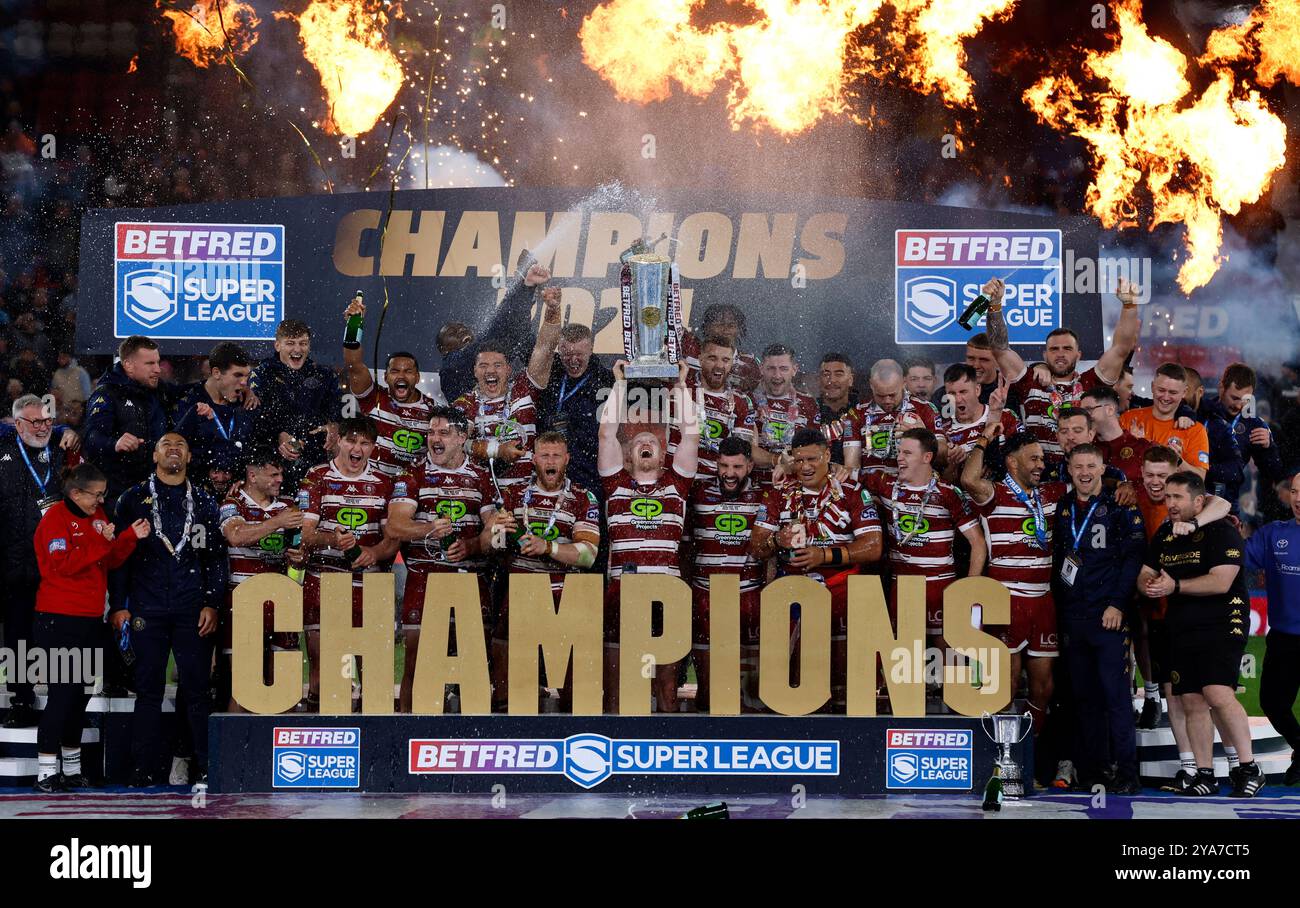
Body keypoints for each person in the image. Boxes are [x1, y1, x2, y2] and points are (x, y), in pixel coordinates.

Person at [109, 433, 226, 786]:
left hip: (192, 607)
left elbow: (216, 558)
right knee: (148, 691)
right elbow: (120, 557)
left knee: (197, 690)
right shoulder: (132, 499)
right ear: (154, 455)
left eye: (180, 445)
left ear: (190, 456)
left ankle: (205, 766)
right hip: (148, 606)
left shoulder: (204, 502)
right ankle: (142, 769)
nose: (173, 448)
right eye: (165, 444)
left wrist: (212, 602)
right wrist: (118, 605)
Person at [1138, 471, 1264, 797]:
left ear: (1198, 501)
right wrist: (1149, 586)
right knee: (1191, 700)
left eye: (1177, 497)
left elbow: (1221, 581)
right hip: (1181, 625)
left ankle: (1249, 768)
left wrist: (1175, 585)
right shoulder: (1166, 533)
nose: (1171, 504)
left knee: (1218, 694)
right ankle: (1205, 774)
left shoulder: (1223, 530)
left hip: (1223, 622)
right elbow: (1146, 573)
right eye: (1167, 497)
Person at [32, 464, 149, 792]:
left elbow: (108, 560)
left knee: (80, 695)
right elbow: (64, 564)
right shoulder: (54, 520)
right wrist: (100, 540)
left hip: (88, 620)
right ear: (75, 493)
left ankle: (71, 768)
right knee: (62, 695)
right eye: (95, 495)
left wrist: (127, 538)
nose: (101, 501)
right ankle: (45, 770)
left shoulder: (96, 517)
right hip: (58, 620)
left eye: (103, 495)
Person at [751, 428, 883, 711]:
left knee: (851, 671)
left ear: (827, 455)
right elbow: (757, 547)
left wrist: (823, 556)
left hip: (842, 590)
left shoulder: (852, 491)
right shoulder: (777, 493)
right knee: (792, 673)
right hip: (793, 594)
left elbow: (873, 546)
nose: (806, 467)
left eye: (812, 459)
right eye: (799, 460)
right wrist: (776, 540)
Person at [597, 360, 699, 714]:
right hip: (622, 591)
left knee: (667, 688)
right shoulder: (615, 484)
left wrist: (682, 387)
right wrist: (620, 384)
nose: (646, 443)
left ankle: (668, 755)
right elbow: (607, 434)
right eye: (639, 441)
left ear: (661, 454)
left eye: (653, 441)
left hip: (665, 593)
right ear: (627, 456)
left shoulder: (677, 483)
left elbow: (691, 435)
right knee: (617, 686)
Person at [385, 407, 496, 712]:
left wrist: (472, 545)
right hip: (425, 580)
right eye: (432, 432)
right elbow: (395, 525)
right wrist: (428, 529)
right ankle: (405, 732)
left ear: (462, 437)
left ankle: (472, 740)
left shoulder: (481, 476)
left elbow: (495, 530)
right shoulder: (412, 475)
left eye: (444, 432)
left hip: (471, 582)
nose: (435, 438)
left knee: (474, 665)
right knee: (416, 662)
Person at [480, 431, 601, 710]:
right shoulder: (512, 494)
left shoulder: (583, 498)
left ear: (567, 459)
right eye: (544, 455)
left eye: (556, 455)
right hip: (520, 598)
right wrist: (497, 534)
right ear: (534, 459)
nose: (550, 460)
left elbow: (588, 555)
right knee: (509, 699)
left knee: (577, 701)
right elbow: (488, 546)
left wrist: (548, 547)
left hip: (564, 599)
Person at [961, 426, 1068, 735]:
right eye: (1033, 459)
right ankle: (998, 757)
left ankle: (1025, 751)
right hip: (1005, 600)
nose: (1040, 465)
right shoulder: (994, 492)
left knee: (1043, 688)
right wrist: (983, 441)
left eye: (1042, 459)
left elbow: (1092, 478)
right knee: (1003, 687)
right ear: (1012, 462)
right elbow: (968, 479)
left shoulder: (1051, 493)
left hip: (1044, 600)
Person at [1053, 443, 1146, 794]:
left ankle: (1127, 774)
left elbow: (1133, 558)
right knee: (1084, 698)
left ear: (1103, 466)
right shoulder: (1063, 507)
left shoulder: (1120, 506)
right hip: (1074, 618)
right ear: (1069, 468)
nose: (1085, 472)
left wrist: (1118, 604)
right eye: (1078, 466)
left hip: (1108, 617)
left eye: (1091, 465)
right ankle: (1096, 771)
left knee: (1115, 697)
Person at [298, 417, 402, 709]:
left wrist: (374, 553)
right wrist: (331, 539)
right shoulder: (316, 476)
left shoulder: (384, 483)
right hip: (325, 582)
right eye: (352, 441)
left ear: (373, 447)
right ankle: (324, 738)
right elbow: (304, 534)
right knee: (325, 675)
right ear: (339, 441)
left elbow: (393, 538)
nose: (357, 448)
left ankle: (374, 743)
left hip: (370, 585)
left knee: (375, 678)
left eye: (365, 443)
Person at [1131, 446, 1231, 748]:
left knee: (1209, 694)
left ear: (1175, 474)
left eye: (1163, 475)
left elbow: (1222, 502)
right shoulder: (1130, 493)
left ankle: (1236, 761)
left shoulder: (1192, 502)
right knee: (1173, 690)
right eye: (1149, 474)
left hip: (1187, 609)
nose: (1155, 482)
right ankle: (1190, 763)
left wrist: (1196, 523)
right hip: (1151, 598)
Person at [984, 277, 1142, 458]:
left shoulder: (1092, 383)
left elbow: (1121, 348)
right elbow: (999, 349)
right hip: (1039, 475)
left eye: (1067, 349)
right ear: (1045, 355)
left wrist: (1129, 306)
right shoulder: (1030, 381)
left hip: (1083, 474)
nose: (1060, 354)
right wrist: (995, 305)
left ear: (1078, 355)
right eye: (1054, 349)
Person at [862, 428, 984, 654]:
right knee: (904, 666)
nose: (899, 458)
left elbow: (977, 542)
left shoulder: (948, 493)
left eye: (907, 453)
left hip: (941, 587)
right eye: (899, 452)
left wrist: (970, 590)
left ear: (927, 457)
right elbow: (843, 474)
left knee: (950, 665)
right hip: (904, 588)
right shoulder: (885, 486)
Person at [0, 394, 76, 727]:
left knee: (58, 634)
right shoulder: (4, 449)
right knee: (18, 634)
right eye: (35, 422)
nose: (43, 427)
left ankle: (65, 702)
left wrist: (65, 430)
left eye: (48, 420)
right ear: (16, 424)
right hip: (12, 560)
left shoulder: (61, 449)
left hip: (54, 563)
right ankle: (21, 698)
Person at [217, 451, 304, 712]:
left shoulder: (288, 505)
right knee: (245, 687)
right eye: (273, 474)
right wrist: (276, 522)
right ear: (252, 475)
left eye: (281, 474)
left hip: (281, 603)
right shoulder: (232, 503)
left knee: (284, 687)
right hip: (244, 601)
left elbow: (297, 556)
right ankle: (237, 751)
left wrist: (299, 559)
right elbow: (236, 536)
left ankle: (279, 750)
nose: (280, 479)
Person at [685, 436, 765, 711]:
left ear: (751, 467)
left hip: (749, 594)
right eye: (724, 466)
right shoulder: (697, 491)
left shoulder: (766, 494)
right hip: (706, 594)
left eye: (737, 467)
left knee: (751, 692)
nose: (729, 474)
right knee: (708, 690)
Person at [455, 288, 563, 492]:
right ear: (475, 371)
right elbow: (457, 443)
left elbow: (544, 349)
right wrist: (496, 450)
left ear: (508, 369)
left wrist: (553, 310)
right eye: (483, 366)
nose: (490, 371)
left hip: (525, 494)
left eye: (497, 365)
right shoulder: (465, 403)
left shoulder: (524, 389)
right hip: (480, 497)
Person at [1244, 470, 1300, 785]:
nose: (1299, 499)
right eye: (1294, 491)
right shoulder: (1272, 534)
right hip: (1284, 638)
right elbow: (1237, 558)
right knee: (1272, 703)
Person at [340, 295, 435, 478]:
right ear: (385, 376)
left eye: (408, 371)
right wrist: (354, 325)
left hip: (407, 493)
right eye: (395, 371)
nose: (401, 375)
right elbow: (353, 364)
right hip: (371, 486)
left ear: (417, 377)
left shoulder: (432, 412)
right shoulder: (374, 397)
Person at [438, 261, 553, 405]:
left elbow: (516, 331)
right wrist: (525, 285)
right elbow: (495, 331)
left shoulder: (498, 353)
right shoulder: (451, 366)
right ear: (444, 349)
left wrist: (526, 288)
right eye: (452, 332)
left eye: (462, 327)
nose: (461, 330)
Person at [249, 319, 346, 489]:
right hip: (272, 467)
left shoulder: (324, 375)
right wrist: (278, 434)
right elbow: (252, 420)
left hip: (314, 461)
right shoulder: (261, 374)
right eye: (290, 343)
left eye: (303, 343)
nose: (297, 349)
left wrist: (333, 426)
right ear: (277, 345)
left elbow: (338, 413)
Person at [83, 335, 173, 515]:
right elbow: (91, 440)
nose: (157, 369)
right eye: (150, 364)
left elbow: (191, 393)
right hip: (117, 494)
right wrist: (114, 443)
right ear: (128, 365)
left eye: (158, 362)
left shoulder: (158, 390)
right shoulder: (107, 394)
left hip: (154, 489)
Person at [533, 323, 616, 493]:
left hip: (588, 478)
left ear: (591, 349)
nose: (573, 360)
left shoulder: (607, 381)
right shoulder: (548, 371)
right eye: (568, 354)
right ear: (559, 349)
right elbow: (529, 343)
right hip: (545, 475)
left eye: (579, 354)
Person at [669, 333, 756, 476]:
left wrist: (775, 460)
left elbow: (743, 452)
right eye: (712, 358)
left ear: (731, 364)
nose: (719, 365)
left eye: (725, 360)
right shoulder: (678, 388)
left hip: (713, 484)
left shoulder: (741, 402)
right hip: (676, 478)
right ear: (700, 359)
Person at [1201, 363, 1284, 510]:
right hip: (1193, 497)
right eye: (1234, 398)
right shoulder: (1201, 411)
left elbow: (1273, 473)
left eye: (1246, 400)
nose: (1239, 405)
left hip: (1228, 504)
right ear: (1221, 388)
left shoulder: (1254, 425)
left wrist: (1268, 448)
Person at [843, 359, 944, 479]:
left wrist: (925, 437)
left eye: (892, 395)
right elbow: (851, 467)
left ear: (903, 382)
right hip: (872, 489)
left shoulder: (924, 409)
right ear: (871, 384)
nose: (887, 401)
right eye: (880, 395)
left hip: (912, 487)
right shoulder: (856, 414)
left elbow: (943, 457)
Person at [174, 342, 256, 488]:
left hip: (236, 498)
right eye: (238, 375)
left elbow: (255, 450)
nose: (244, 382)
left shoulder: (247, 403)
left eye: (246, 376)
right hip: (194, 495)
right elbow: (174, 446)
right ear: (216, 373)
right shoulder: (189, 403)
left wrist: (245, 480)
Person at [1120, 363, 1210, 477]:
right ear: (1152, 387)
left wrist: (1177, 460)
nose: (1166, 397)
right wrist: (1132, 445)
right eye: (1161, 390)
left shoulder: (1195, 431)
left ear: (1184, 392)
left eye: (1173, 392)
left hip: (1170, 494)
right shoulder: (1129, 419)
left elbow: (1199, 478)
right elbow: (1111, 463)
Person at [749, 343, 821, 484]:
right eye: (771, 368)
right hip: (754, 484)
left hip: (794, 485)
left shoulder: (808, 404)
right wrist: (777, 460)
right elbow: (745, 450)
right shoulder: (749, 401)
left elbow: (814, 450)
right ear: (761, 369)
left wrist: (790, 463)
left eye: (783, 369)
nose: (777, 375)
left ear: (794, 370)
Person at [940, 365, 1021, 485]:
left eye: (963, 392)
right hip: (968, 500)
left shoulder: (1006, 416)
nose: (957, 399)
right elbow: (947, 484)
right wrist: (953, 465)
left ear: (977, 390)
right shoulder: (944, 430)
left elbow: (1023, 459)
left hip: (1008, 495)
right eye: (951, 393)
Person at [680, 303, 761, 394]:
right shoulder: (689, 346)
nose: (725, 329)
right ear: (706, 327)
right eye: (719, 324)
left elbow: (756, 397)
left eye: (731, 325)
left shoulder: (748, 363)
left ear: (739, 330)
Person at [1079, 385, 1149, 482]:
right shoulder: (1084, 449)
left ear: (1110, 410)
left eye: (1089, 410)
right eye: (1082, 412)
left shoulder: (1142, 447)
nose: (1084, 417)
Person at [817, 353, 859, 464]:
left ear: (850, 380)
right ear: (819, 379)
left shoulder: (862, 410)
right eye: (826, 374)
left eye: (838, 374)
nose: (831, 380)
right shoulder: (808, 410)